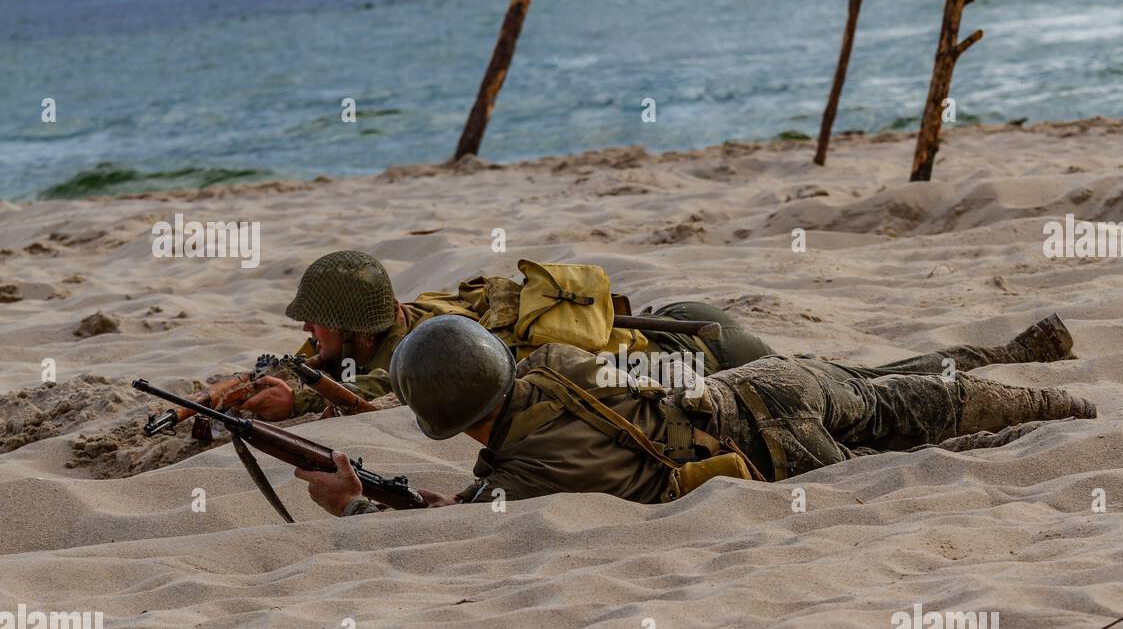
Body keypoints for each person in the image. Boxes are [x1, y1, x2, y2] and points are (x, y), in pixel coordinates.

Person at [293, 314, 1094, 515]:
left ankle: (1033, 424)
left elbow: (468, 528)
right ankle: (1059, 395)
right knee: (905, 395)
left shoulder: (533, 471)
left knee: (923, 452)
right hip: (767, 384)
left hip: (778, 456)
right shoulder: (557, 366)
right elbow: (649, 364)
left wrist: (355, 502)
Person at [237, 251, 778, 421]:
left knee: (791, 375)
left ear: (355, 327)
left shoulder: (429, 343)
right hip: (664, 325)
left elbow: (391, 389)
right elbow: (317, 358)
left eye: (318, 320)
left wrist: (301, 398)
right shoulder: (376, 330)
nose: (308, 330)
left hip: (690, 349)